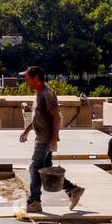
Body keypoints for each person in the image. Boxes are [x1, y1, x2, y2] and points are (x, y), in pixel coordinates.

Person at [19, 66, 85, 214]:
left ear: (36, 78)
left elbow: (56, 116)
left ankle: (34, 201)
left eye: (27, 78)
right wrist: (27, 130)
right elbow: (38, 117)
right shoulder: (39, 93)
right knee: (47, 171)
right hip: (41, 137)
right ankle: (73, 189)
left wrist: (54, 138)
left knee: (34, 168)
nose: (26, 82)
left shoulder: (47, 93)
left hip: (45, 139)